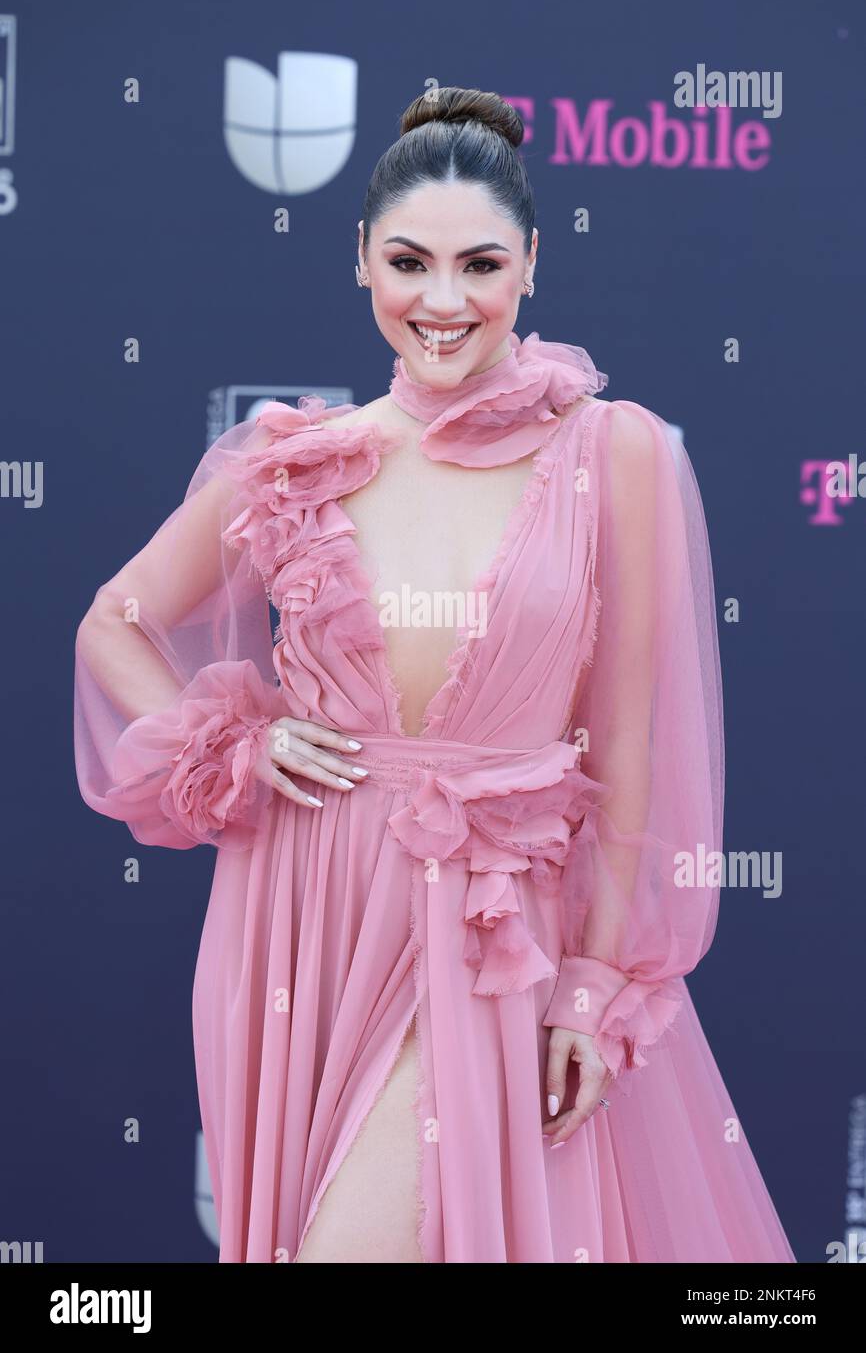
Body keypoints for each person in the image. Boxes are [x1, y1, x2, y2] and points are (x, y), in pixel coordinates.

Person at [73, 85, 795, 1263]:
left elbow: (627, 747)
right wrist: (236, 744)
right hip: (300, 918)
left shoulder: (616, 455)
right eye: (410, 262)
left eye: (480, 264)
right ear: (360, 259)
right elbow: (116, 619)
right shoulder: (296, 463)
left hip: (488, 926)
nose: (443, 302)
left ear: (531, 266)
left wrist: (593, 983)